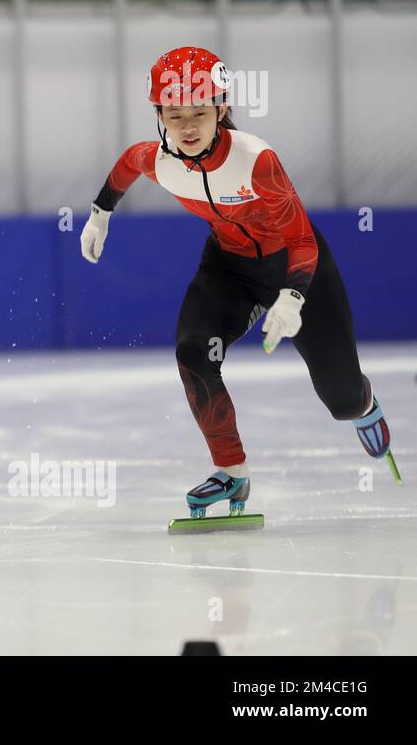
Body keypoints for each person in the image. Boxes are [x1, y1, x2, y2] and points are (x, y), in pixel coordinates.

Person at [79, 45, 399, 519]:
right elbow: (126, 165)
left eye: (200, 113)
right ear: (159, 114)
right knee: (192, 352)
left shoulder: (256, 160)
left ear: (222, 109)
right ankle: (232, 471)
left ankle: (363, 403)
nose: (187, 126)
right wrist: (99, 214)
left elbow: (303, 239)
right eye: (174, 114)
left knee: (342, 400)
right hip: (227, 267)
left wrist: (291, 300)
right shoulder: (159, 159)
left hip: (294, 265)